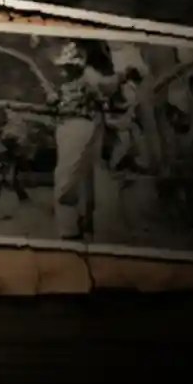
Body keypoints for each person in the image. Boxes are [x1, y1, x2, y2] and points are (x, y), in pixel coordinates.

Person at [47, 39, 124, 240]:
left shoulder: (88, 78)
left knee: (72, 176)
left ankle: (71, 229)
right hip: (71, 126)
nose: (63, 71)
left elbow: (106, 90)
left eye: (67, 66)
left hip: (80, 125)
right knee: (80, 175)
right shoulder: (64, 84)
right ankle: (81, 223)